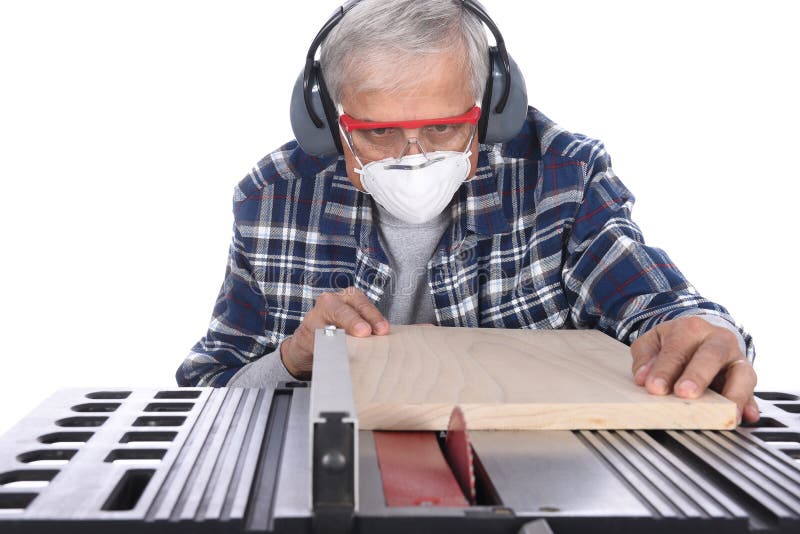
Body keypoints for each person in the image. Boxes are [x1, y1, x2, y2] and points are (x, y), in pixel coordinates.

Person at [175, 0, 758, 425]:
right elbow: (205, 394)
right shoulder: (271, 197)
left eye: (444, 126)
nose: (414, 154)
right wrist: (291, 359)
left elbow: (659, 308)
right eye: (379, 134)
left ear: (489, 116)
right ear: (329, 127)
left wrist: (706, 337)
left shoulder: (563, 174)